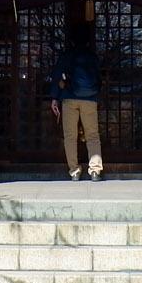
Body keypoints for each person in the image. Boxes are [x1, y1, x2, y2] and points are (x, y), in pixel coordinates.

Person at [46, 22, 103, 180]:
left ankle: (75, 171)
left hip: (69, 98)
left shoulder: (67, 55)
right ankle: (95, 170)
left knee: (70, 136)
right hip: (90, 98)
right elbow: (99, 78)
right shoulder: (92, 56)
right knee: (92, 135)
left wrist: (54, 98)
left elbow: (58, 76)